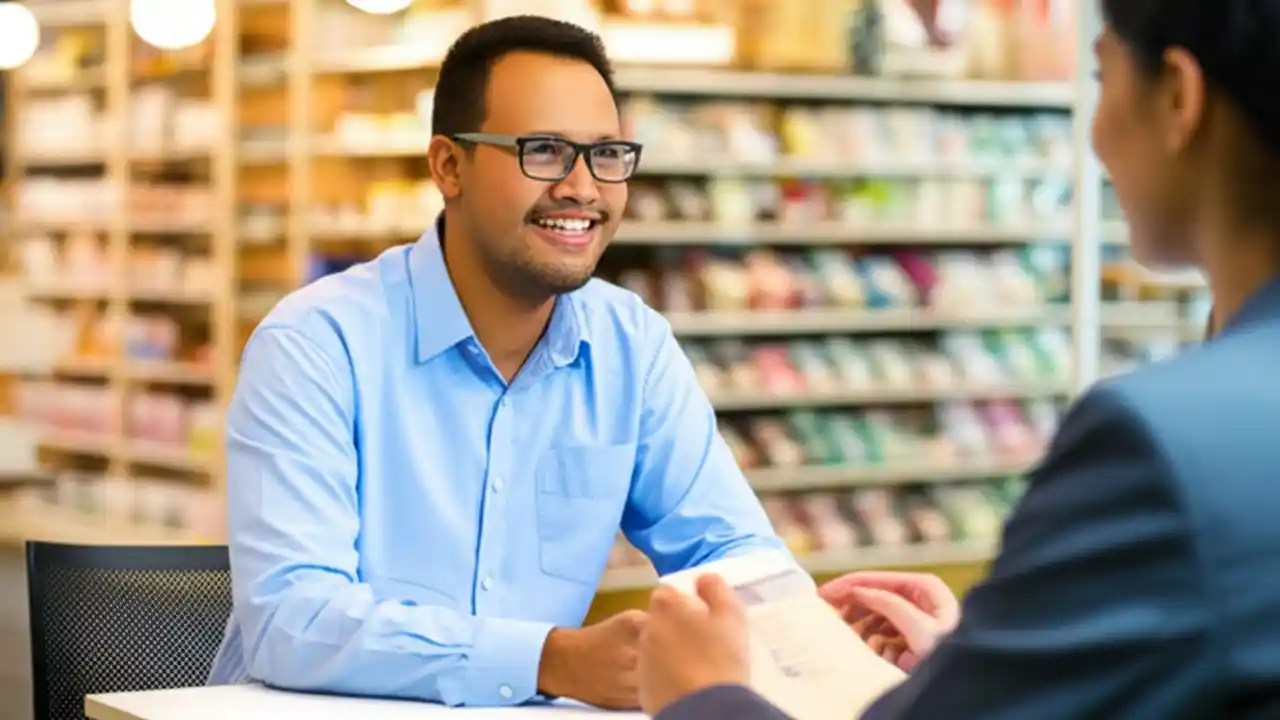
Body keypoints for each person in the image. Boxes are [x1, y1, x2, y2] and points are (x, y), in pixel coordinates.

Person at [638, 1, 1280, 717]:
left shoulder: (1158, 441)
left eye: (1102, 79)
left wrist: (704, 694)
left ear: (1178, 98)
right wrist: (989, 662)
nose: (1094, 137)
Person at [205, 15, 786, 710]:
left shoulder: (633, 348)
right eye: (543, 151)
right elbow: (292, 621)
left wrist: (808, 627)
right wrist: (551, 660)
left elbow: (735, 558)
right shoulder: (317, 343)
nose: (582, 187)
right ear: (448, 166)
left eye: (607, 155)